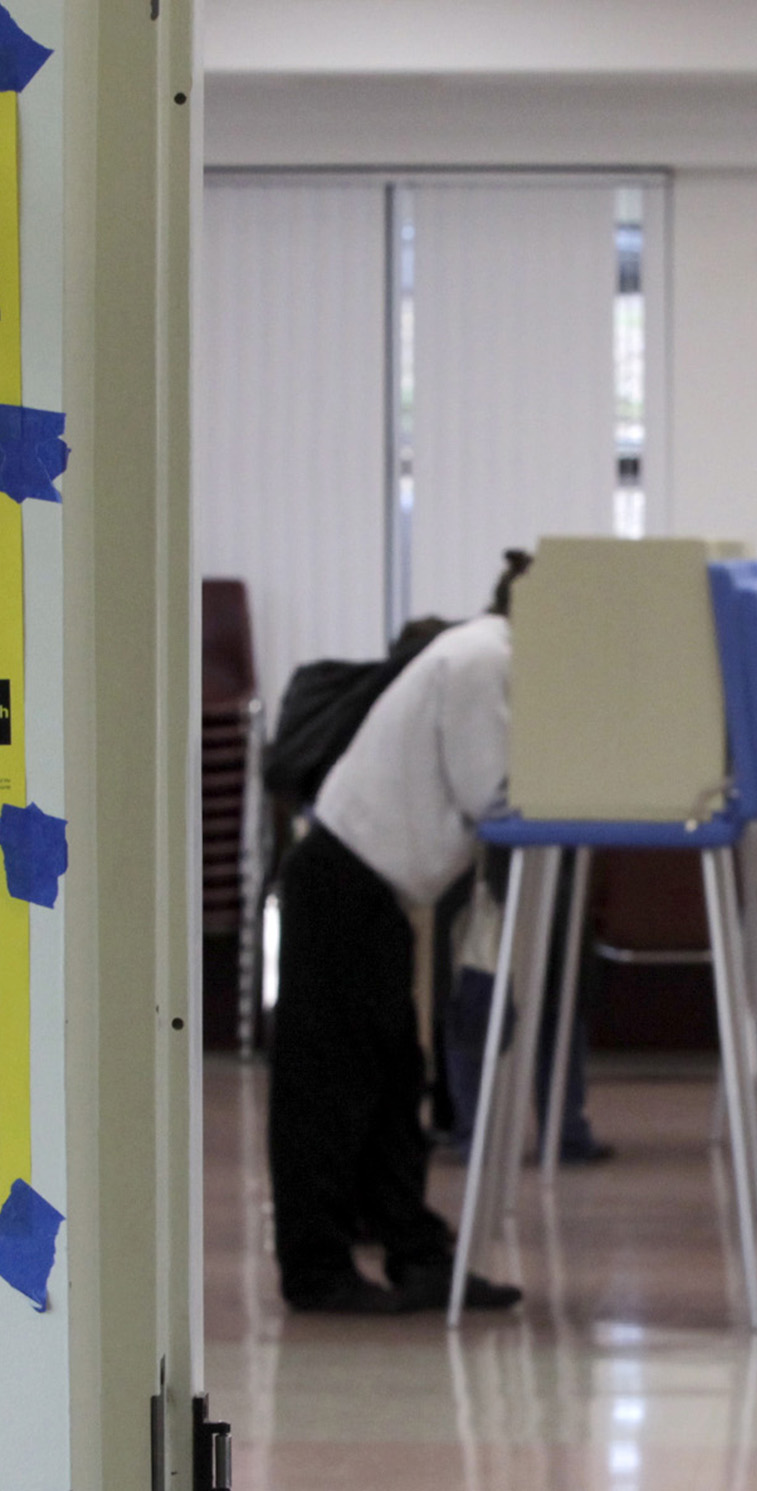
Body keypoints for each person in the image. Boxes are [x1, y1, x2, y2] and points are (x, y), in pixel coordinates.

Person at [265, 556, 543, 1315]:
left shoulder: (484, 652)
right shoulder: (485, 657)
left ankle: (416, 1252)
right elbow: (490, 791)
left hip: (368, 885)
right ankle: (317, 1270)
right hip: (345, 878)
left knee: (391, 1078)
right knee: (332, 1087)